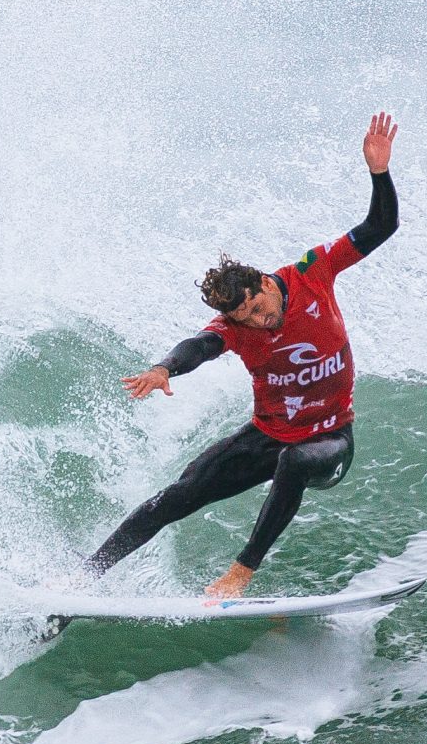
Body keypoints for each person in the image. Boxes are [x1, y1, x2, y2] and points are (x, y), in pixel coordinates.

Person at [87, 113, 401, 599]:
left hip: (330, 441)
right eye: (244, 318)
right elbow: (200, 346)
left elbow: (381, 225)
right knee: (177, 497)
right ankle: (83, 577)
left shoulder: (311, 271)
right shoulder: (234, 326)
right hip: (268, 436)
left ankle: (240, 574)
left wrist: (379, 172)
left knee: (295, 461)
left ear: (264, 284)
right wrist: (165, 367)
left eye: (257, 309)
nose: (257, 321)